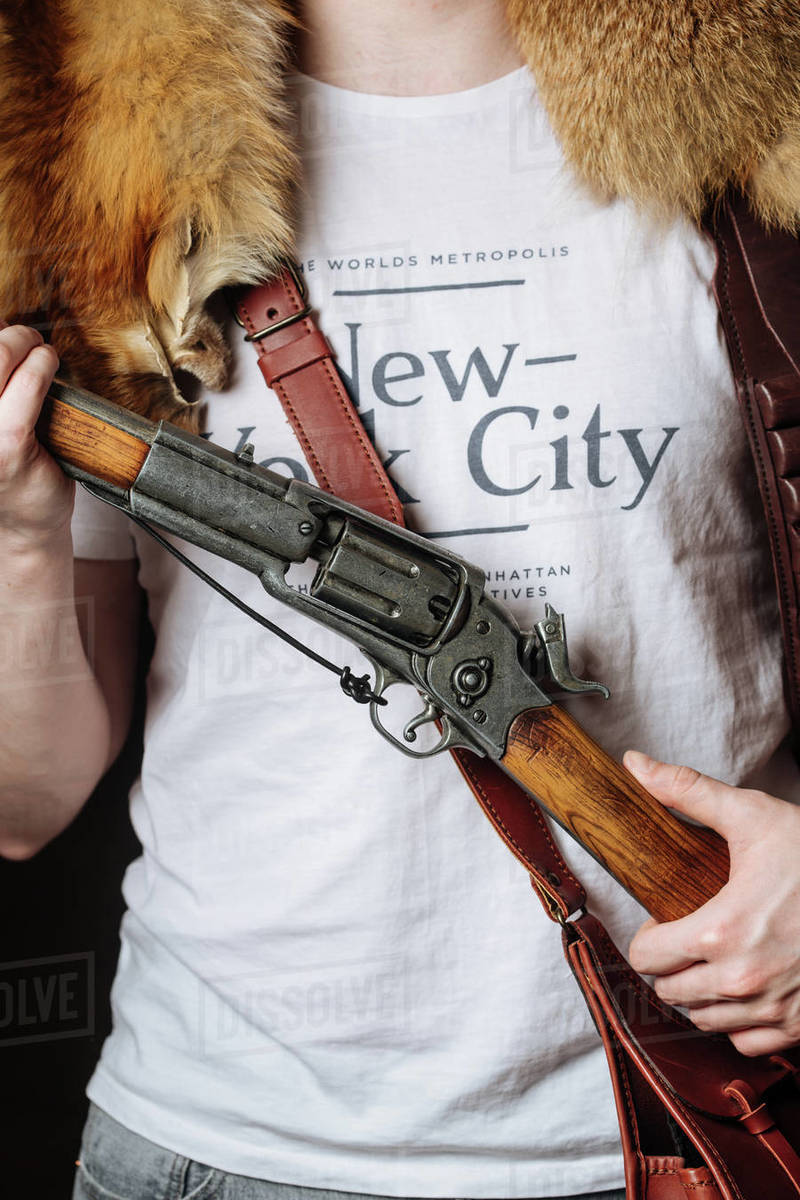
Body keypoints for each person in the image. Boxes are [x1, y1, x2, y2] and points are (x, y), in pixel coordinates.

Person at [0, 2, 799, 1198]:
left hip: (699, 1119)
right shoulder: (80, 158)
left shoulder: (760, 120)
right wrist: (16, 539)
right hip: (222, 1142)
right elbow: (27, 799)